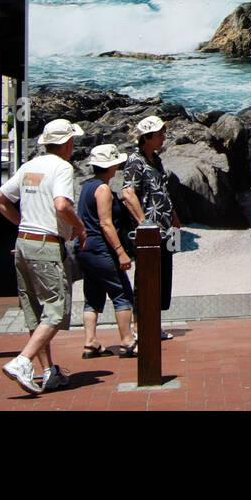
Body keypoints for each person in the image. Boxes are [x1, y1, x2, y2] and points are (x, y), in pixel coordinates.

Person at [0, 118, 87, 395]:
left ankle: (48, 372)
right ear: (68, 144)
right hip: (46, 245)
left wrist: (25, 223)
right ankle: (23, 361)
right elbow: (61, 205)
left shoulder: (29, 167)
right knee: (57, 309)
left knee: (35, 312)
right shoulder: (62, 167)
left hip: (23, 243)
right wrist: (78, 227)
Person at [75, 143, 138, 358]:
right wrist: (120, 251)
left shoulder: (86, 186)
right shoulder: (103, 189)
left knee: (92, 296)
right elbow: (106, 223)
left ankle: (90, 342)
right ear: (112, 165)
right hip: (101, 248)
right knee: (122, 293)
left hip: (85, 248)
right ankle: (127, 340)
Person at [121, 115, 180, 337]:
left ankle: (154, 324)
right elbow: (128, 192)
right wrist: (143, 223)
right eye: (159, 134)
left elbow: (162, 191)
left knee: (162, 278)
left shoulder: (157, 159)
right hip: (149, 231)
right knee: (145, 279)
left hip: (166, 228)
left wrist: (174, 214)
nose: (163, 137)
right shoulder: (135, 161)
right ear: (146, 137)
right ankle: (139, 327)